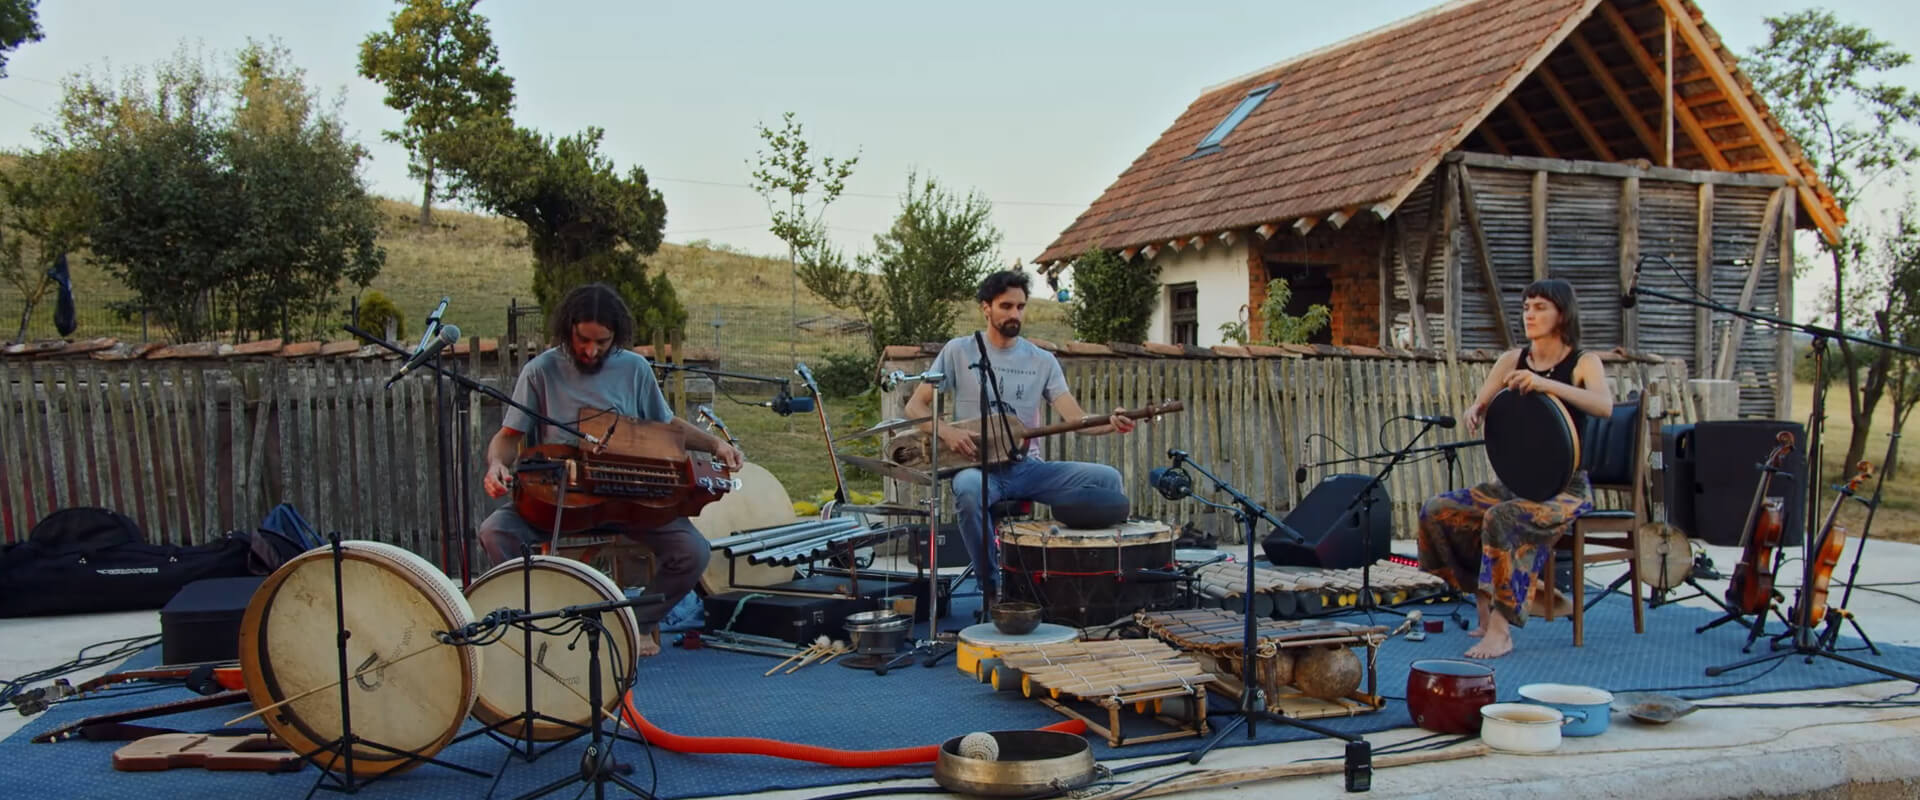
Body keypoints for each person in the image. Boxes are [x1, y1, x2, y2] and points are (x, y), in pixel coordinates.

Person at [479, 284, 743, 657]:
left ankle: (634, 624)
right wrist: (496, 464)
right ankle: (545, 619)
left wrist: (716, 445)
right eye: (583, 340)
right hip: (563, 501)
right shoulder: (541, 370)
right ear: (568, 329)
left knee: (693, 552)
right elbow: (508, 437)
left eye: (601, 342)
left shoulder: (634, 368)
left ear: (616, 335)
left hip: (629, 500)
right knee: (495, 531)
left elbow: (667, 424)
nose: (591, 350)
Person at [902, 270, 1137, 607]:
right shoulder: (958, 351)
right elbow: (915, 406)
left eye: (1021, 307)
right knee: (968, 488)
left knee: (1107, 479)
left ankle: (1095, 579)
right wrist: (948, 432)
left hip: (1028, 468)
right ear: (986, 308)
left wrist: (1111, 422)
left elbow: (1077, 419)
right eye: (1006, 306)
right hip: (978, 468)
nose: (1015, 314)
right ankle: (991, 588)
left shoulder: (1042, 361)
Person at [1415, 279, 1613, 660]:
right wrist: (1476, 410)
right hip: (1515, 484)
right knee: (1438, 510)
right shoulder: (1512, 360)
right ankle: (1482, 604)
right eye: (1526, 307)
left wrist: (1545, 385)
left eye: (1540, 307)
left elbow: (1604, 405)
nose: (1529, 315)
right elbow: (1483, 401)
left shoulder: (1583, 362)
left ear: (1562, 314)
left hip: (1565, 490)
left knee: (1502, 518)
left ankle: (1500, 631)